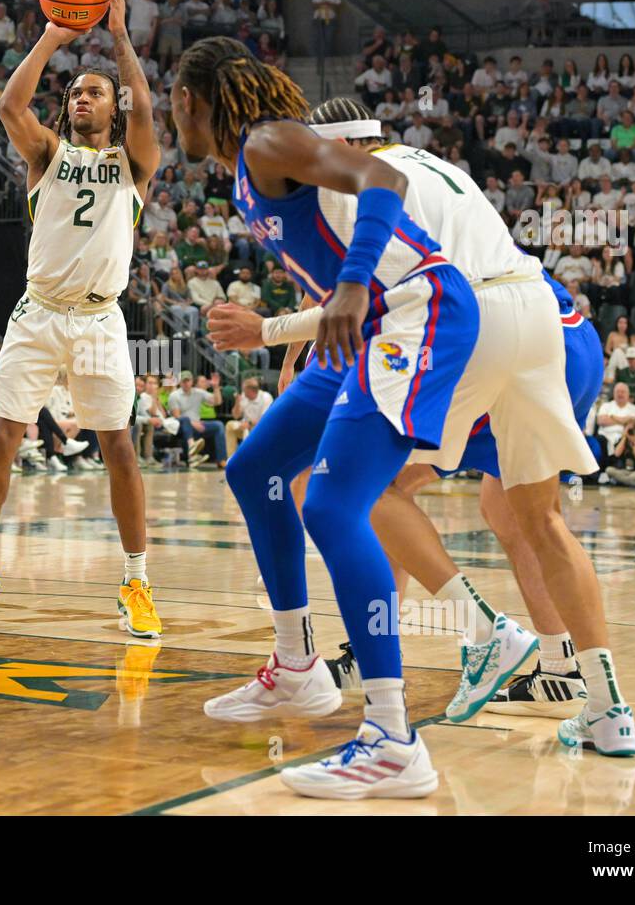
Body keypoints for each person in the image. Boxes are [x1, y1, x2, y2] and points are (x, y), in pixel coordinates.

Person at [212, 95, 635, 760]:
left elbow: (383, 296)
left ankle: (483, 633)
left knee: (361, 489)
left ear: (333, 148)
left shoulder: (356, 189)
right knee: (531, 516)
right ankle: (604, 705)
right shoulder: (430, 162)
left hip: (474, 323)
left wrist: (269, 331)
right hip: (548, 318)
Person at [172, 40, 480, 800]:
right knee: (256, 468)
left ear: (188, 98)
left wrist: (349, 285)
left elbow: (384, 176)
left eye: (172, 96)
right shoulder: (250, 161)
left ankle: (392, 737)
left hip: (414, 310)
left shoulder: (268, 140)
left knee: (335, 506)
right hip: (366, 328)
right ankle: (298, 666)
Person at [0, 0, 162, 639]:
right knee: (1, 439)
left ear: (113, 107)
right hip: (38, 313)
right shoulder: (45, 153)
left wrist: (120, 38)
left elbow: (146, 113)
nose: (80, 99)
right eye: (74, 93)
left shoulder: (135, 162)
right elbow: (12, 105)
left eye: (94, 92)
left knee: (119, 446)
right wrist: (50, 37)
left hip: (100, 319)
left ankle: (136, 581)